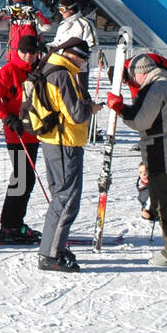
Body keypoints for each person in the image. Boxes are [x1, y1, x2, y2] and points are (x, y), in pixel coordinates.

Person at [108, 53, 167, 268]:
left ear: (141, 73)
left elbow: (139, 120)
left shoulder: (153, 88)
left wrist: (119, 108)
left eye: (134, 76)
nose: (134, 81)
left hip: (162, 152)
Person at [27, 37, 100, 272]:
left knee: (61, 196)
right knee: (66, 199)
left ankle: (53, 247)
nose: (84, 63)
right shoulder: (62, 74)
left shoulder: (50, 67)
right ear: (73, 54)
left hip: (53, 141)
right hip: (64, 142)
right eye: (83, 58)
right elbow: (76, 114)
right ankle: (50, 253)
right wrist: (91, 108)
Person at [0, 34, 43, 243]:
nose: (29, 56)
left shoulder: (38, 70)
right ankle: (10, 224)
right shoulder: (7, 71)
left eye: (33, 52)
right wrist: (8, 118)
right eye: (25, 52)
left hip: (34, 133)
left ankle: (15, 222)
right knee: (22, 178)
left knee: (26, 178)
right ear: (18, 51)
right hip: (16, 133)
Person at [52, 0, 99, 92]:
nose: (61, 13)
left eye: (62, 10)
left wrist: (80, 55)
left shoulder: (85, 24)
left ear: (71, 10)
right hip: (61, 64)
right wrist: (47, 46)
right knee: (62, 91)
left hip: (78, 66)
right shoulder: (62, 25)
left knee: (79, 93)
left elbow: (93, 45)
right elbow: (57, 43)